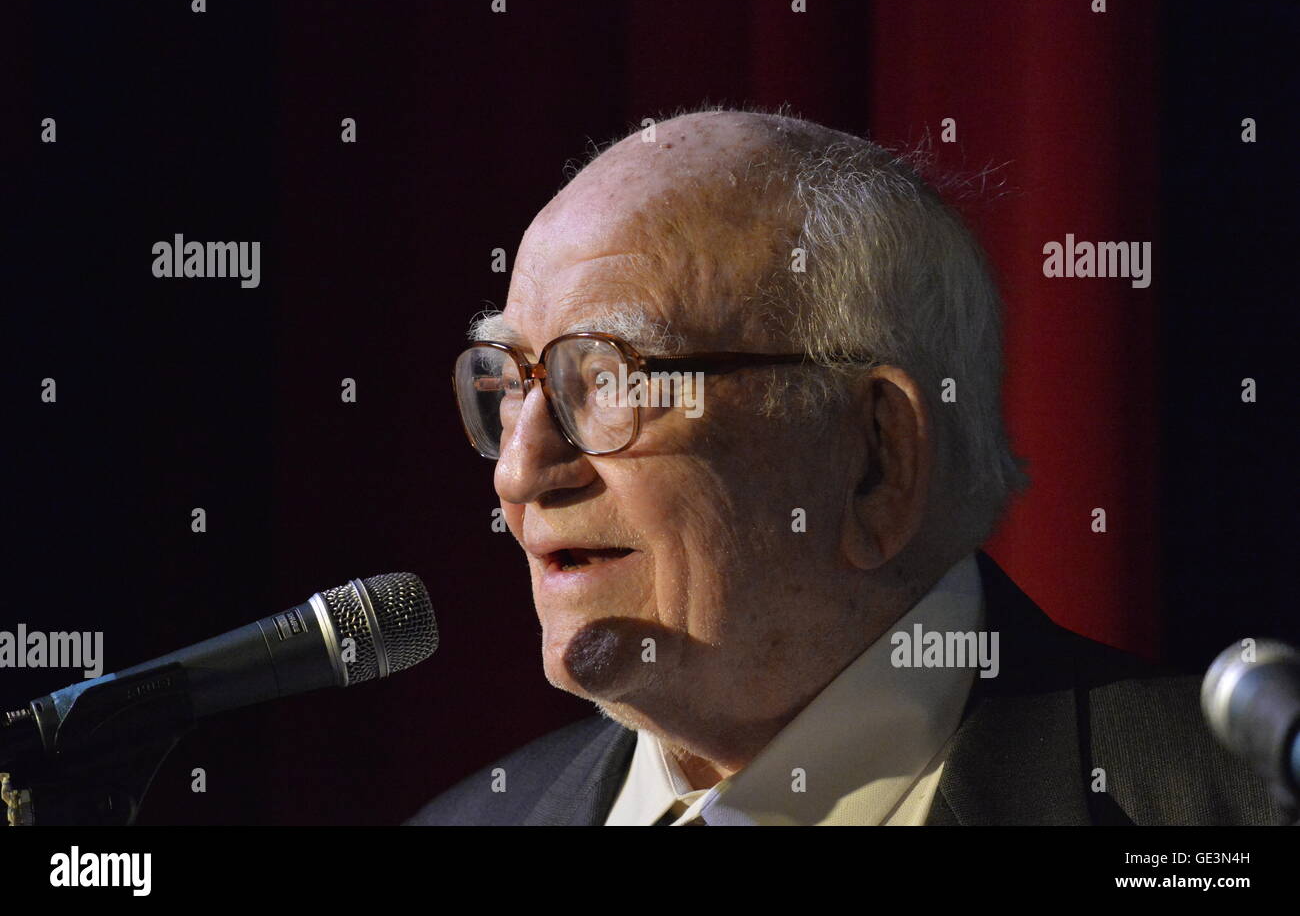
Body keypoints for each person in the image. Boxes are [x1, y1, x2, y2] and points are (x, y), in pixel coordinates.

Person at [408, 109, 1276, 825]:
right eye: (510, 384)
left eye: (607, 380)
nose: (520, 473)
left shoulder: (1229, 815)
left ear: (874, 459)